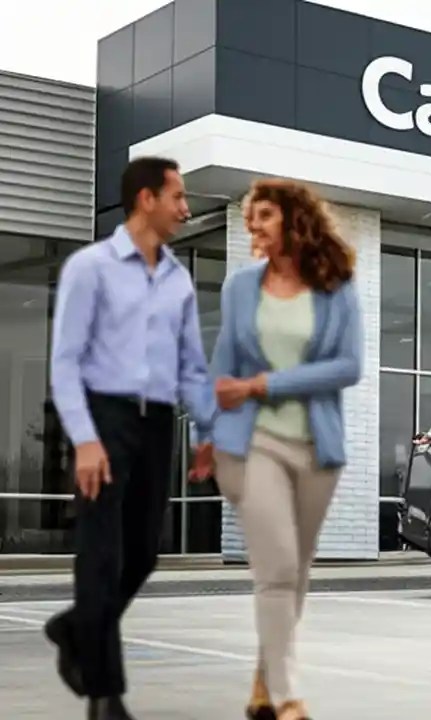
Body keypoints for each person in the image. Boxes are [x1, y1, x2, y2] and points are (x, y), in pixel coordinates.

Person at [45, 156, 218, 720]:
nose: (186, 208)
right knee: (99, 554)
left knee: (142, 551)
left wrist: (207, 431)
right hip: (103, 417)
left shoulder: (178, 280)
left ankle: (76, 629)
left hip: (157, 420)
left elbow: (192, 366)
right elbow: (65, 363)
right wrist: (85, 439)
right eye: (178, 197)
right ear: (147, 199)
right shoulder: (90, 268)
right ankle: (105, 696)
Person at [202, 178, 362, 720]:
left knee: (295, 573)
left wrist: (265, 384)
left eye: (263, 216)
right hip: (256, 443)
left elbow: (348, 366)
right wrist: (206, 432)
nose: (254, 226)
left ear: (294, 219)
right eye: (250, 219)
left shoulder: (337, 285)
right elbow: (224, 367)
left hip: (317, 449)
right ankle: (289, 697)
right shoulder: (240, 288)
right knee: (276, 568)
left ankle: (262, 683)